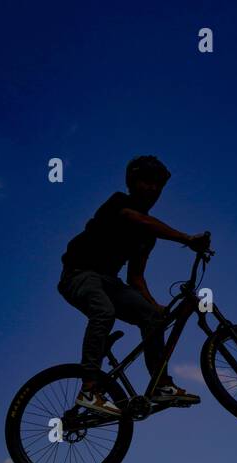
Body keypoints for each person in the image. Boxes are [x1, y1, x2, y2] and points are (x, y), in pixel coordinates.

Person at [58, 155, 211, 416]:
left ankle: (160, 385)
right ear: (133, 183)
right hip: (79, 274)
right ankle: (89, 388)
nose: (153, 190)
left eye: (158, 186)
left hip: (111, 282)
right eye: (147, 182)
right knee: (103, 311)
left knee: (152, 318)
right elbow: (138, 219)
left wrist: (156, 307)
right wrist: (186, 238)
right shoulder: (119, 203)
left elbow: (136, 278)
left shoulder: (147, 237)